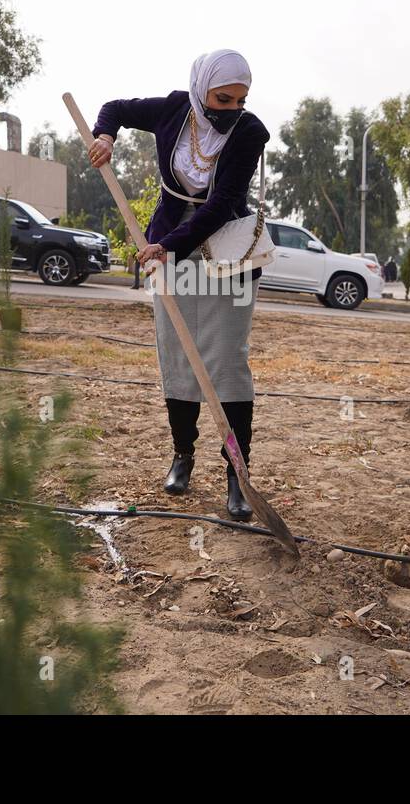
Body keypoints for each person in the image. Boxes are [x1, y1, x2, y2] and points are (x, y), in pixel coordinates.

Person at [90, 49, 269, 522]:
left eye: (240, 100)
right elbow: (116, 109)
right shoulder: (173, 108)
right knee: (177, 352)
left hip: (223, 252)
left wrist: (167, 244)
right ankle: (182, 456)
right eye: (222, 98)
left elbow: (221, 203)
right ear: (201, 89)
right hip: (169, 253)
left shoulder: (249, 133)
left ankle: (237, 473)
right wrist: (104, 137)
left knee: (227, 361)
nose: (230, 108)